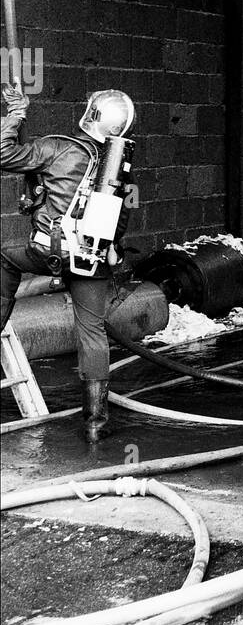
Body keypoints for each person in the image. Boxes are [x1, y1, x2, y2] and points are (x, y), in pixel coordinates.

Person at [1, 84, 136, 440]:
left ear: (89, 113)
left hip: (48, 254)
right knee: (92, 334)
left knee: (4, 259)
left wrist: (17, 114)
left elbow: (2, 152)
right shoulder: (118, 168)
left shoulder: (55, 147)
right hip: (91, 261)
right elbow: (121, 220)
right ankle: (95, 425)